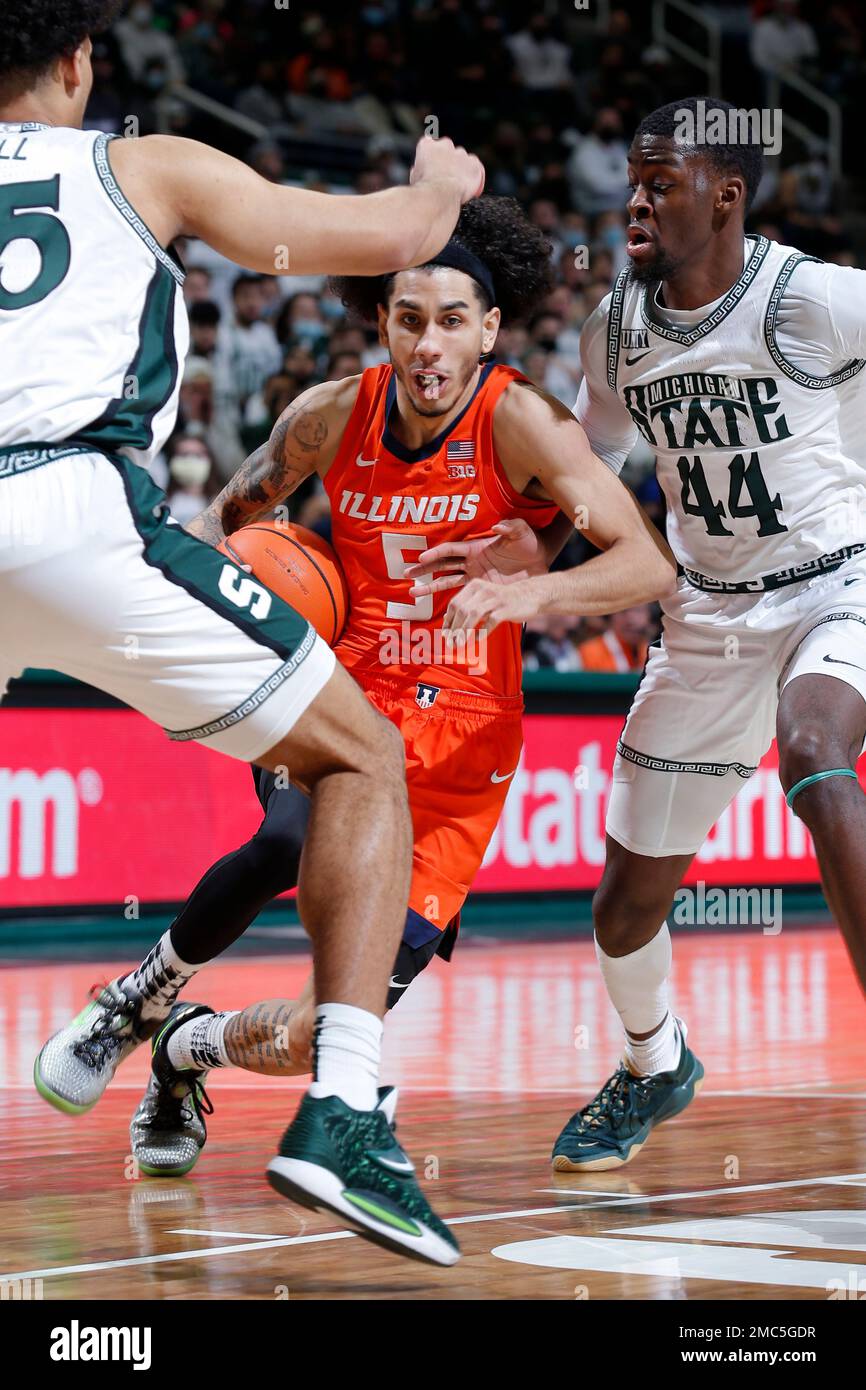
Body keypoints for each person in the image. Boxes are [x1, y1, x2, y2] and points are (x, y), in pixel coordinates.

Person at [2, 0, 485, 1266]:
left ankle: (148, 1024)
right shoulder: (136, 161)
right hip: (66, 505)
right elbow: (381, 236)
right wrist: (437, 182)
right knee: (360, 759)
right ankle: (338, 1112)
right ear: (76, 62)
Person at [116, 196, 676, 1179]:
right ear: (383, 322)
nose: (427, 342)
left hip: (460, 755)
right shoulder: (329, 413)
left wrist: (527, 589)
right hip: (338, 706)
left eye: (451, 319)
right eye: (408, 317)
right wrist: (172, 650)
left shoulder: (527, 425)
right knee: (287, 836)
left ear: (489, 330)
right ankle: (144, 990)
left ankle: (179, 1048)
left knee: (315, 1038)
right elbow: (214, 528)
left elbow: (645, 567)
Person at [446, 94, 866, 1175]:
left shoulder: (813, 301)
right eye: (630, 182)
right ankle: (651, 1063)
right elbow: (588, 467)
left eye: (658, 183)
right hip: (705, 620)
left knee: (814, 752)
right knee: (625, 906)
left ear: (723, 197)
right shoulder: (616, 328)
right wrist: (524, 543)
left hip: (835, 586)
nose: (633, 200)